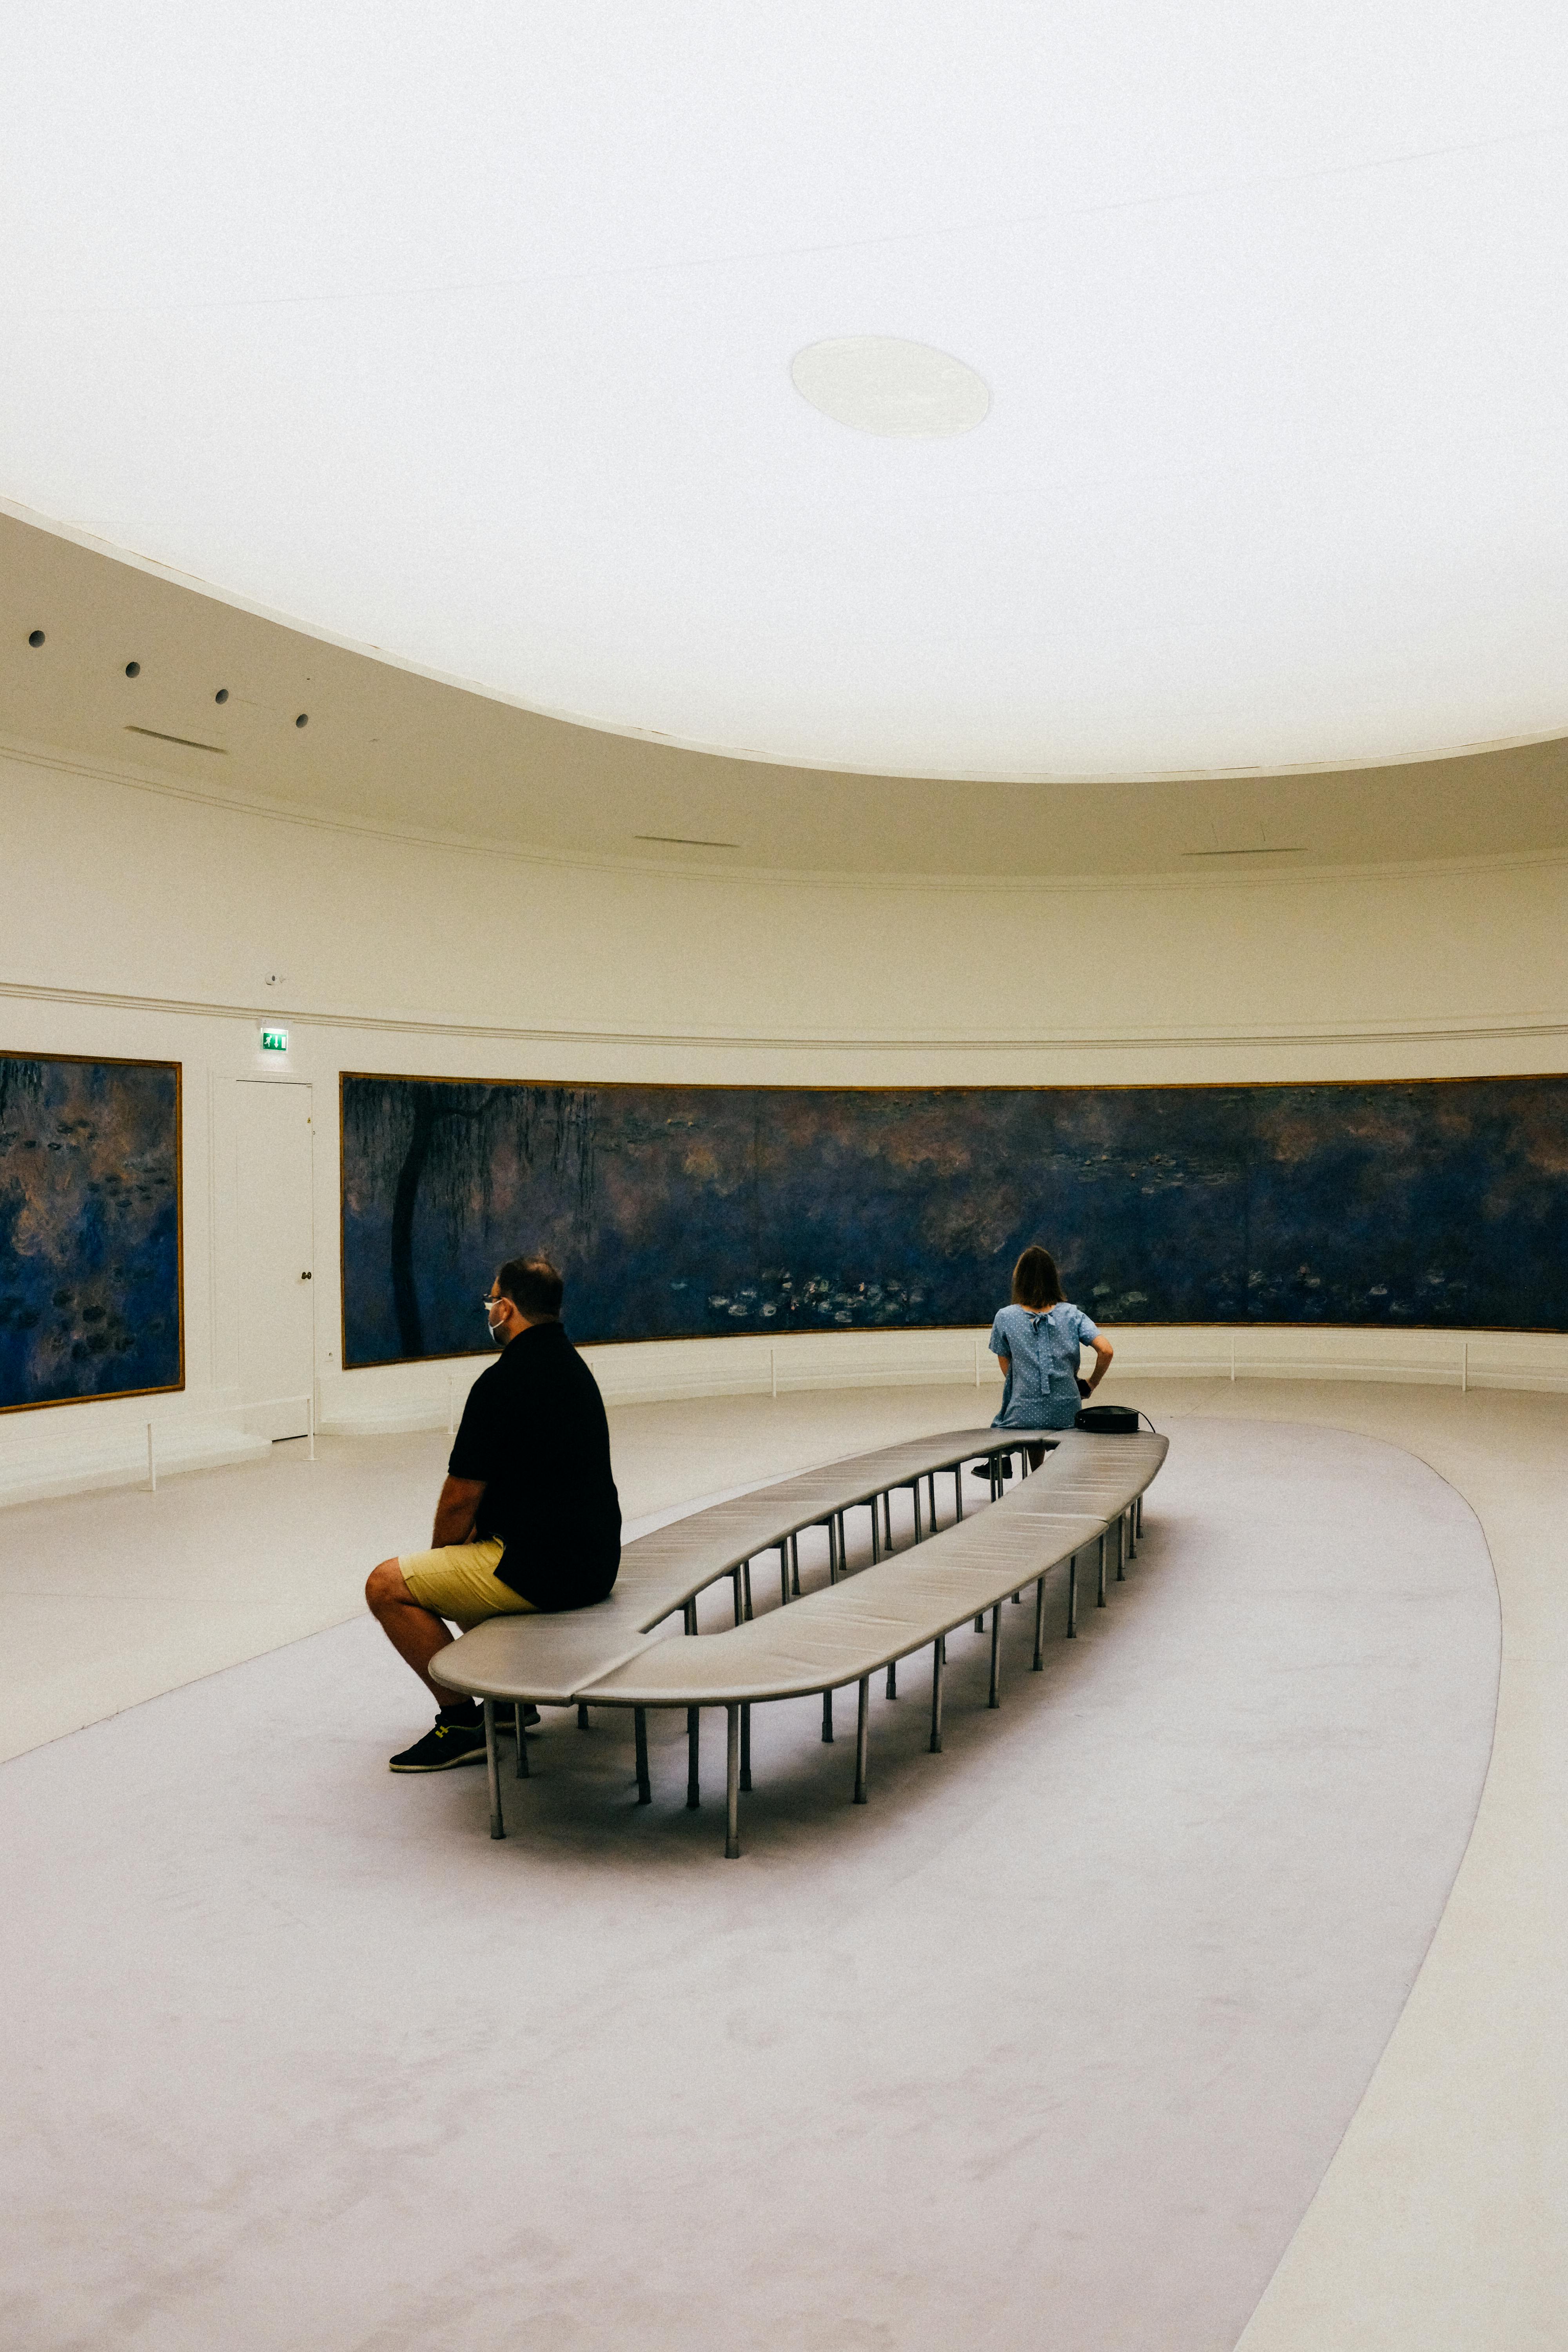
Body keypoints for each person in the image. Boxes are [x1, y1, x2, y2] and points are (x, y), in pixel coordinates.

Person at [366, 1253, 621, 1772]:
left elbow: (461, 1495)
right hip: (595, 1564)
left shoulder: (501, 1382)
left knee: (388, 1586)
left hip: (545, 1573)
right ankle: (508, 1701)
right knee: (473, 1549)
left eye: (491, 1299)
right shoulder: (574, 1369)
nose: (489, 1308)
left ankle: (459, 1723)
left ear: (506, 1310)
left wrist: (440, 1559)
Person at [976, 1244, 1114, 1477]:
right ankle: (1052, 1480)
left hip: (1021, 1415)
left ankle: (1006, 1463)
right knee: (1044, 1417)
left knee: (1006, 1422)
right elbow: (1107, 1351)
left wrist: (1028, 1386)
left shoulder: (1005, 1317)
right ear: (1053, 1279)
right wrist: (1091, 1384)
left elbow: (1007, 1368)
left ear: (1019, 1279)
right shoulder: (1072, 1314)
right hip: (1067, 1413)